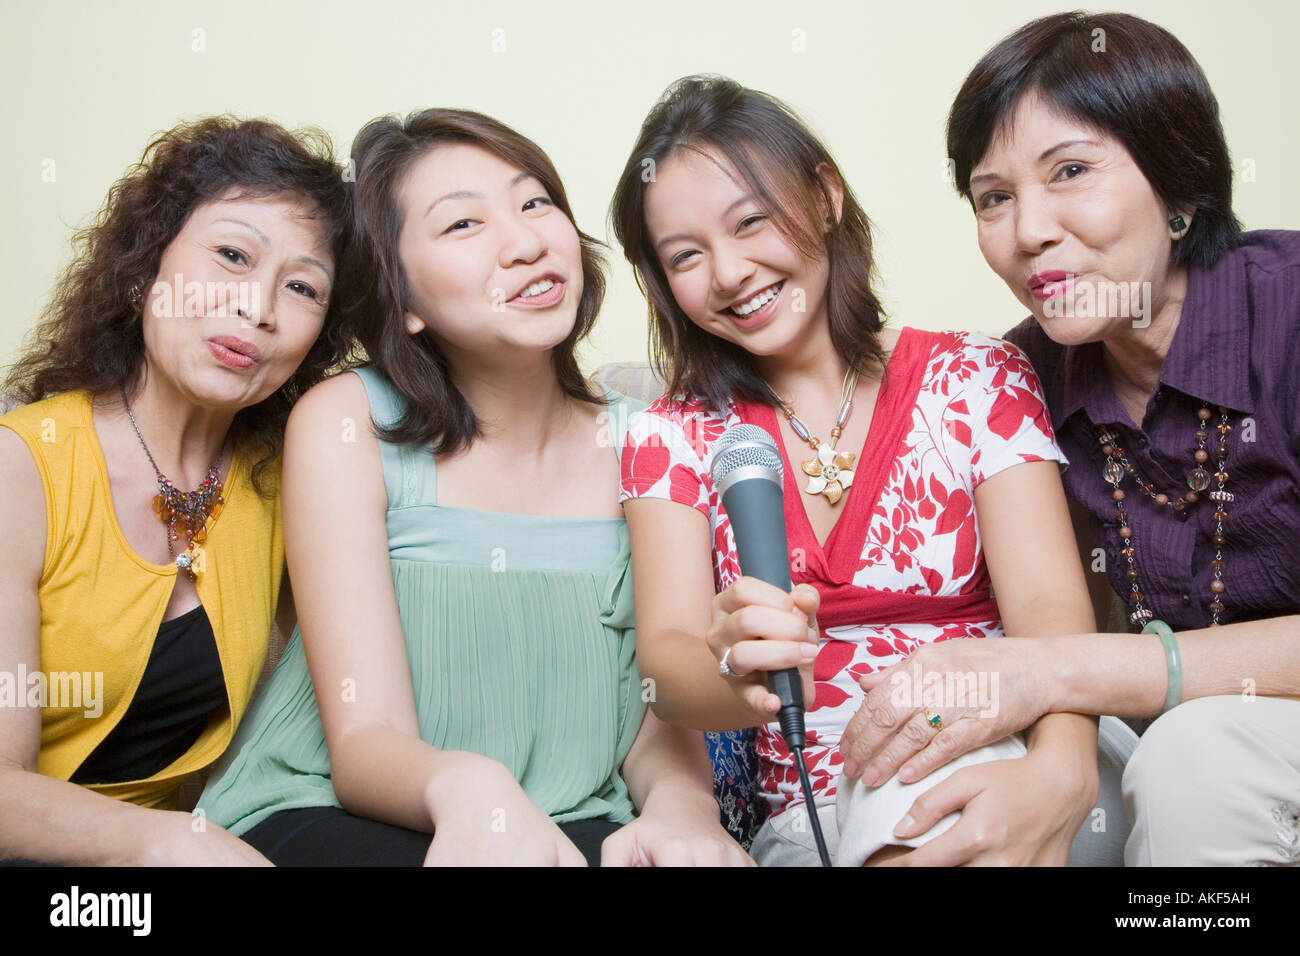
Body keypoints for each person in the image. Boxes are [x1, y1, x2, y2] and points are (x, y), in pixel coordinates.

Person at [196, 108, 751, 866]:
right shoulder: (348, 421)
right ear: (406, 301)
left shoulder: (652, 441)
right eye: (462, 225)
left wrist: (687, 812)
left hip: (571, 821)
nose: (526, 243)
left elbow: (661, 723)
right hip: (344, 809)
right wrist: (474, 791)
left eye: (534, 203)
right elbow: (364, 744)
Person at [841, 11, 1300, 867]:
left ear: (1181, 185)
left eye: (1072, 171)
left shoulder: (1289, 313)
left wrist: (1061, 671)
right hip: (1175, 729)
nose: (1029, 232)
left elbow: (1065, 661)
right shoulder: (1023, 376)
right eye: (994, 198)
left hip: (1212, 748)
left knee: (1194, 758)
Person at [610, 75, 1103, 866]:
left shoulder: (977, 379)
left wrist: (1062, 766)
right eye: (686, 256)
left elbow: (1052, 615)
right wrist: (734, 660)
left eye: (751, 222)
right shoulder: (673, 433)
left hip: (985, 755)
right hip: (803, 816)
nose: (731, 272)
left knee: (918, 796)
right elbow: (667, 669)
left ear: (825, 195)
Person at [0, 116, 353, 865]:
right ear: (142, 271)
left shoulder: (291, 480)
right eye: (231, 255)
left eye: (301, 287)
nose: (258, 308)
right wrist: (171, 841)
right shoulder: (22, 466)